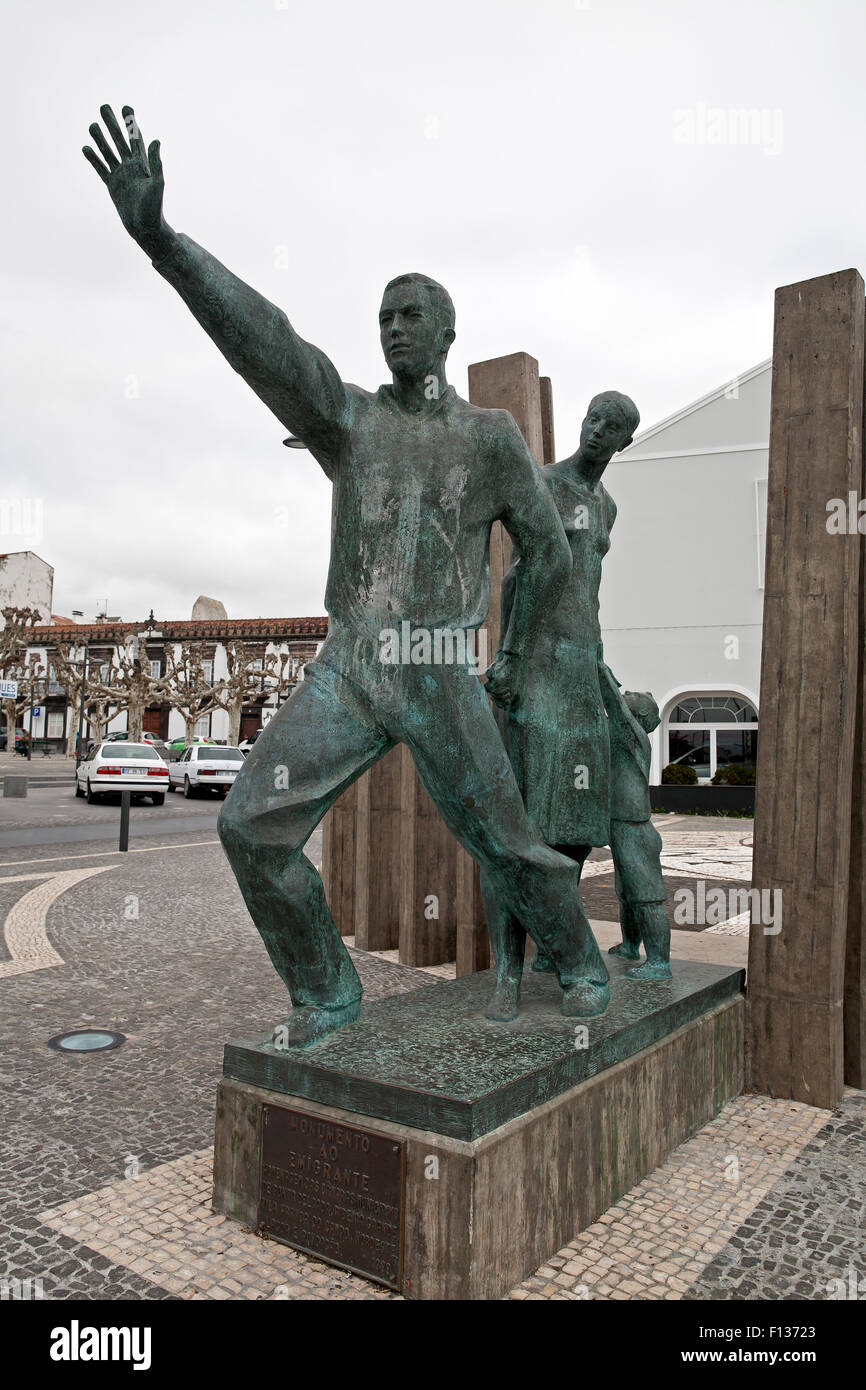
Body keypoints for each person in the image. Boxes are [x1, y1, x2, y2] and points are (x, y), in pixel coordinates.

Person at [82, 104, 610, 1045]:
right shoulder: (352, 420)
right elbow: (269, 342)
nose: (395, 330)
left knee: (510, 842)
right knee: (250, 825)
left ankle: (579, 961)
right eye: (384, 318)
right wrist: (162, 241)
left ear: (447, 333)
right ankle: (326, 992)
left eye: (412, 317)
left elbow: (550, 549)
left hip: (441, 666)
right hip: (354, 665)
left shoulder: (490, 439)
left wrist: (516, 653)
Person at [485, 391, 639, 1020]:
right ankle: (506, 974)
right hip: (536, 665)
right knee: (517, 831)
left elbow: (591, 595)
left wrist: (604, 680)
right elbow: (518, 577)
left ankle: (557, 945)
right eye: (593, 419)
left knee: (575, 829)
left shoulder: (606, 507)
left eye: (614, 427)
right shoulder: (543, 483)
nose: (598, 431)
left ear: (626, 441)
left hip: (581, 670)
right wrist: (511, 657)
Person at [598, 666, 671, 979]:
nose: (626, 693)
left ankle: (659, 962)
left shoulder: (634, 735)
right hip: (621, 827)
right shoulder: (620, 733)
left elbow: (612, 700)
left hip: (634, 828)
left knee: (646, 896)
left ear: (639, 716)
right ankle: (630, 945)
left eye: (632, 696)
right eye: (626, 691)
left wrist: (598, 663)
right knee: (627, 894)